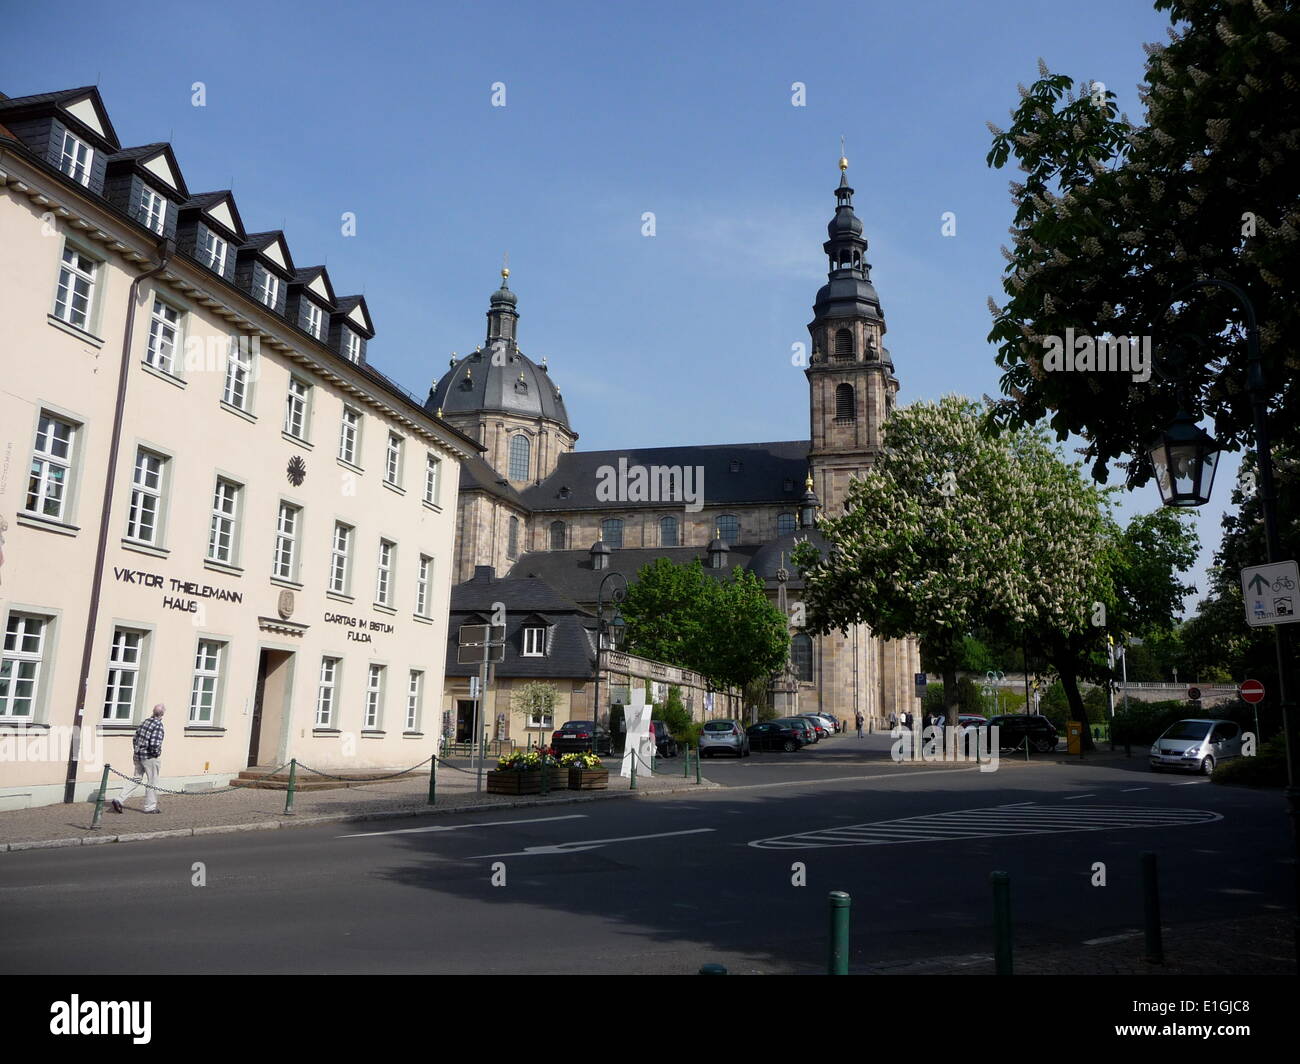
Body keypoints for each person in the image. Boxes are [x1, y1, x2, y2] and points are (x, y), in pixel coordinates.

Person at [112, 703, 165, 814]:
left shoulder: (145, 722)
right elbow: (154, 745)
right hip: (149, 757)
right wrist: (156, 753)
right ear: (163, 714)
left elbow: (135, 738)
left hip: (138, 755)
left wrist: (137, 750)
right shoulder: (158, 725)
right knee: (152, 781)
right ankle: (150, 807)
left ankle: (119, 799)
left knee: (136, 779)